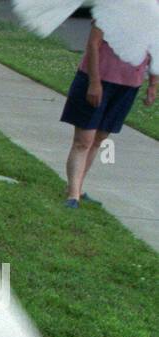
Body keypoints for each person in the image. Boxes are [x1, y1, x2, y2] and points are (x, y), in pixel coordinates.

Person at [61, 21, 157, 208]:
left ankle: (77, 188)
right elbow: (93, 44)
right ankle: (73, 196)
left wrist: (153, 83)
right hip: (97, 79)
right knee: (84, 140)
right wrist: (94, 83)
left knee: (99, 138)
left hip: (128, 85)